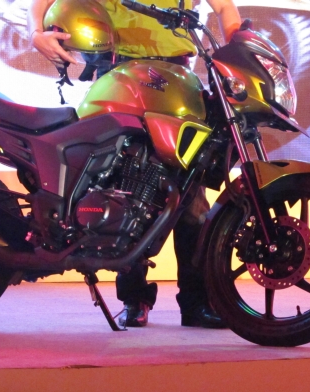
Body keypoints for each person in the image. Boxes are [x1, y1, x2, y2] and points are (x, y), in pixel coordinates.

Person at [27, 0, 241, 328]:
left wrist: (238, 52)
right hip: (120, 74)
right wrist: (35, 33)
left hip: (177, 80)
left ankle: (197, 302)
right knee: (125, 189)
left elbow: (225, 7)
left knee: (191, 195)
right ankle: (134, 297)